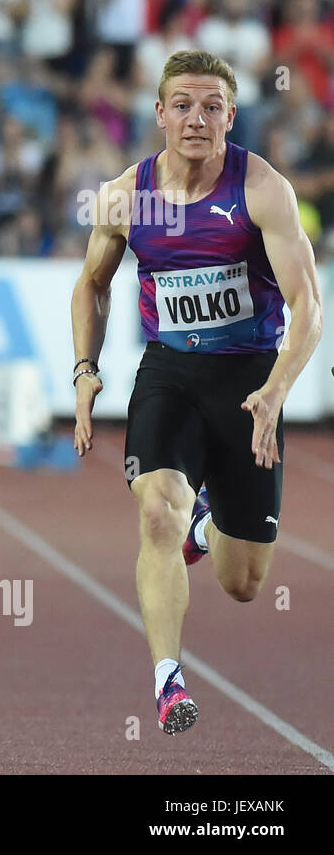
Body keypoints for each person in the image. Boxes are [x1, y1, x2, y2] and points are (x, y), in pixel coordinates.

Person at [71, 50, 322, 735]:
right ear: (158, 114)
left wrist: (276, 390)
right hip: (170, 374)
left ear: (231, 117)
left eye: (212, 106)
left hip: (247, 382)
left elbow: (309, 306)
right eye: (182, 104)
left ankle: (211, 530)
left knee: (243, 584)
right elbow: (92, 283)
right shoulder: (126, 196)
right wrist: (84, 370)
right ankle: (167, 680)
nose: (196, 118)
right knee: (157, 512)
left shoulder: (262, 189)